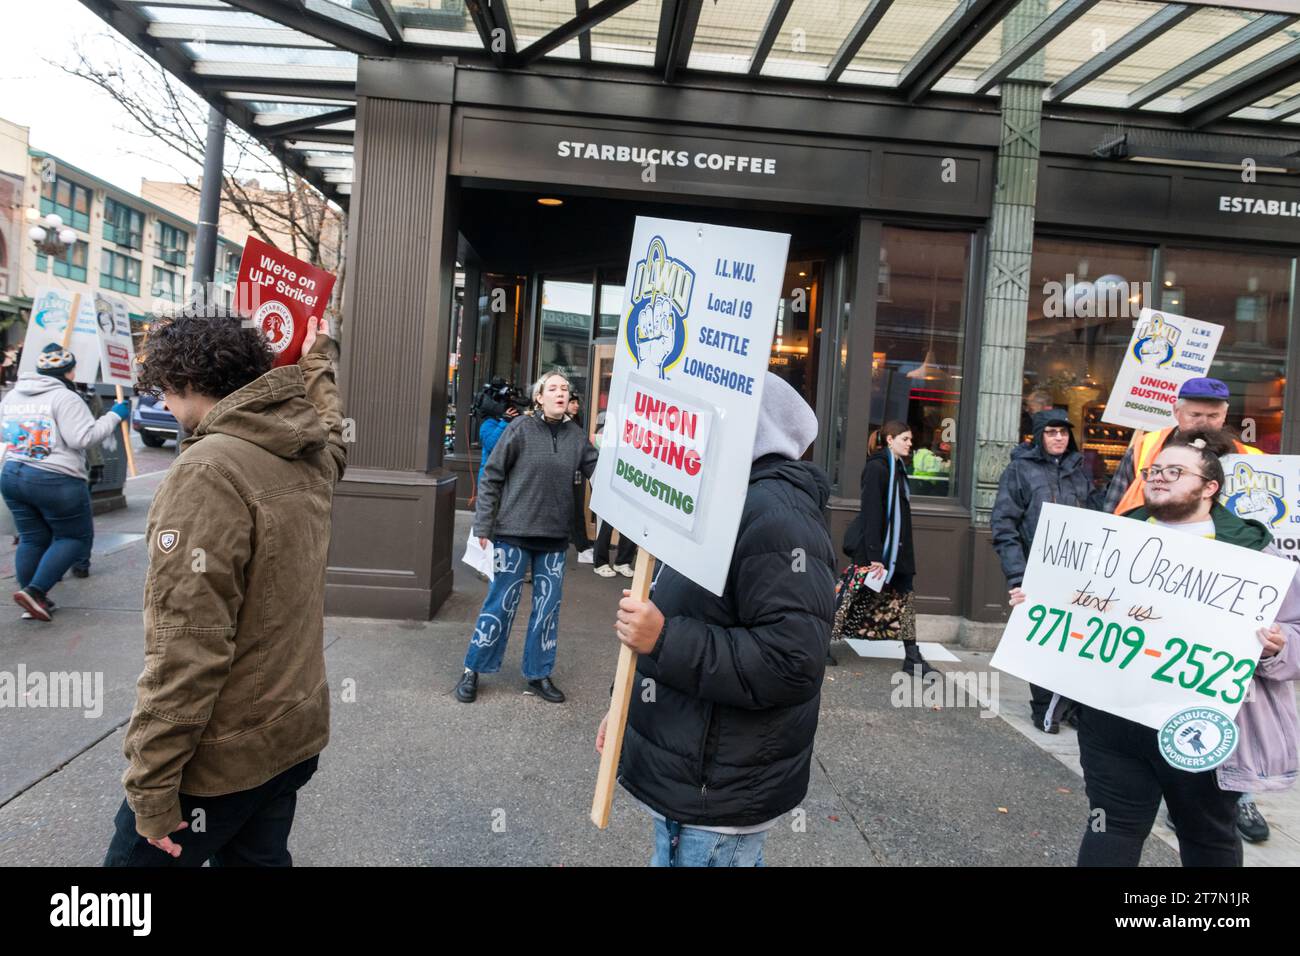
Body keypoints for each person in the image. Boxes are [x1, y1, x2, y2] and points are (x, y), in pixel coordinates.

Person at [104, 309, 345, 866]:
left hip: (219, 763)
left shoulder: (208, 472)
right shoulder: (304, 453)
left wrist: (151, 785)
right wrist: (318, 360)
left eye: (164, 389)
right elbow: (332, 432)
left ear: (188, 382)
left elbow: (188, 647)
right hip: (290, 736)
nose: (163, 403)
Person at [1011, 429, 1300, 866]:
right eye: (1154, 470)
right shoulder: (1106, 537)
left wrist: (1276, 647)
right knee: (1109, 827)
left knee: (1207, 837)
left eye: (1175, 471)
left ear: (1209, 488)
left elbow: (1295, 635)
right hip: (1111, 724)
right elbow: (1074, 606)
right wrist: (1040, 599)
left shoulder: (1257, 555)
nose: (1159, 478)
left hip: (1202, 729)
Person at [597, 373, 835, 866]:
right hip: (695, 782)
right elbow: (689, 613)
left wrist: (663, 638)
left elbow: (792, 660)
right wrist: (624, 702)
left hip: (716, 798)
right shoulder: (720, 500)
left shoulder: (776, 513)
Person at [456, 370, 598, 705]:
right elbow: (492, 477)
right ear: (539, 397)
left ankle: (538, 674)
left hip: (553, 539)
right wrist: (483, 527)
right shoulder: (519, 429)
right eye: (553, 388)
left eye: (565, 388)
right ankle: (472, 669)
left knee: (547, 608)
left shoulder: (576, 437)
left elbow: (602, 472)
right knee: (500, 604)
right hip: (512, 535)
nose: (560, 393)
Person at [991, 409, 1103, 733]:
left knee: (1079, 640)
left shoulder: (1081, 470)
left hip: (1081, 572)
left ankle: (1070, 706)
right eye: (1051, 432)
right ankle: (1043, 706)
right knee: (1044, 640)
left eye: (1064, 432)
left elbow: (1101, 515)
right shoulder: (1019, 470)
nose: (1058, 438)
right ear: (1039, 435)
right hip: (1036, 571)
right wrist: (1017, 574)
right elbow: (1004, 524)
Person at [0, 343, 129, 620]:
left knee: (32, 538)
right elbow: (82, 438)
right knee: (74, 536)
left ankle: (32, 599)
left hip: (13, 474)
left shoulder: (12, 397)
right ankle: (35, 593)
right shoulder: (65, 398)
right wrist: (114, 415)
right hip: (55, 479)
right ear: (69, 372)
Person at [832, 421, 936, 676]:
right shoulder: (877, 468)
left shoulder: (898, 469)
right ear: (889, 439)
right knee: (851, 597)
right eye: (905, 439)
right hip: (875, 551)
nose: (910, 444)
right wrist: (876, 556)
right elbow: (871, 513)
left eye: (911, 439)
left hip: (899, 553)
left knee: (906, 601)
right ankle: (819, 643)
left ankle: (912, 656)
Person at [1103, 376, 1260, 515]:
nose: (1203, 423)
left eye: (1213, 416)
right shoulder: (1144, 446)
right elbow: (1113, 505)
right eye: (1195, 415)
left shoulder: (1251, 457)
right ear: (1176, 411)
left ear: (1224, 416)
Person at [591, 412, 635, 578]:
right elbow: (595, 444)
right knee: (605, 522)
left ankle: (623, 561)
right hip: (607, 480)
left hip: (630, 480)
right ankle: (600, 562)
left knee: (631, 522)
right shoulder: (608, 422)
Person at [567, 392, 594, 564]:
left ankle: (582, 547)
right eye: (572, 402)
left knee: (576, 513)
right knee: (573, 513)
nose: (576, 405)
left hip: (576, 475)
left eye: (577, 402)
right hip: (565, 476)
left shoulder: (574, 424)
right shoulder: (565, 425)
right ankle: (582, 547)